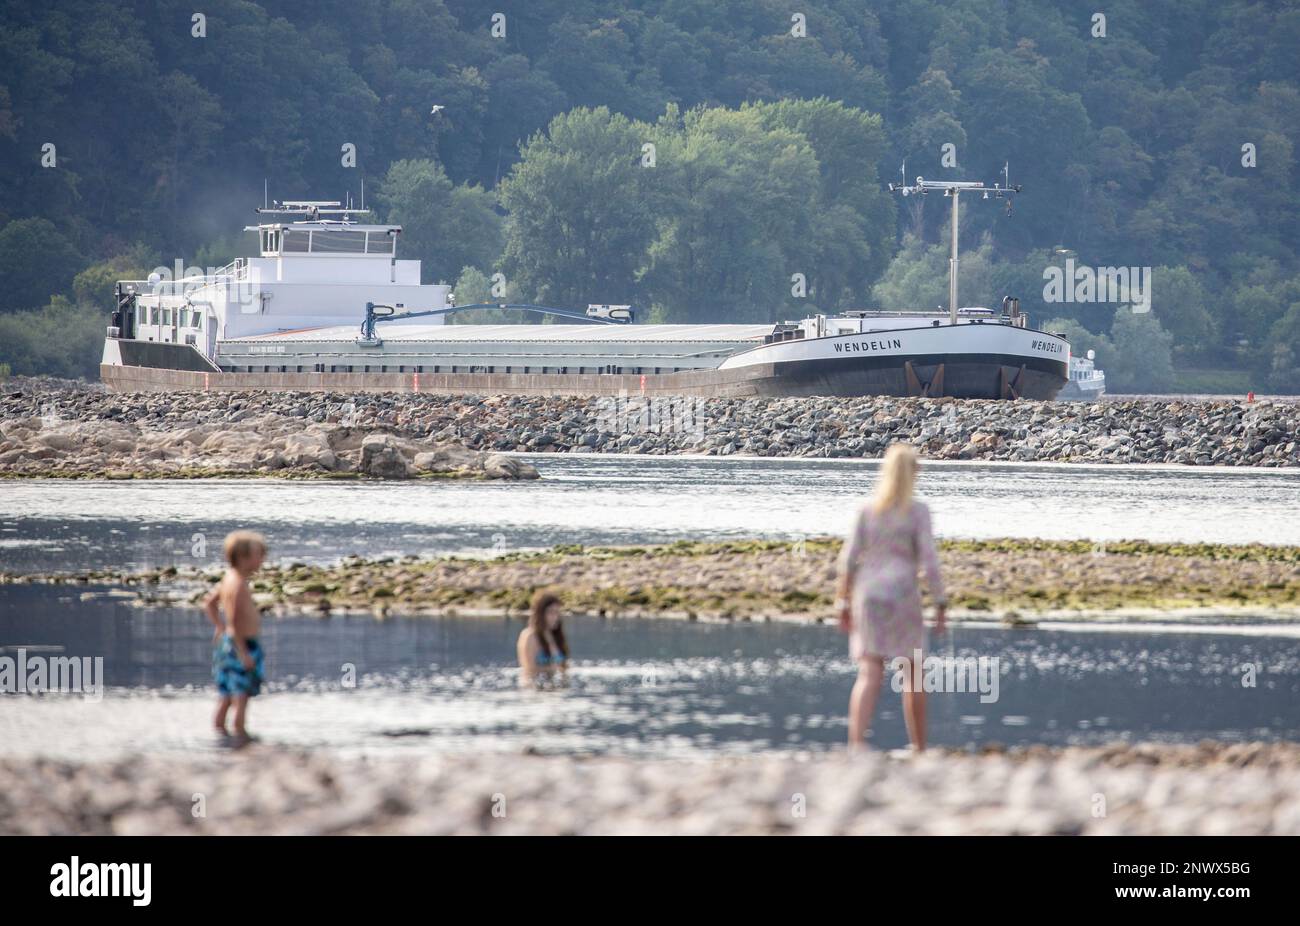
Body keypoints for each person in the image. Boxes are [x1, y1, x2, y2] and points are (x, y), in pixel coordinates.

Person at [835, 444, 947, 753]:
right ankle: (919, 747)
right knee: (912, 672)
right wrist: (940, 603)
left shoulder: (866, 510)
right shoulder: (917, 511)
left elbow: (848, 559)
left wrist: (842, 602)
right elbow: (930, 561)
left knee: (870, 671)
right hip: (903, 595)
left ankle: (856, 744)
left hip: (868, 596)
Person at [204, 530, 269, 744]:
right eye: (259, 555)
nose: (263, 560)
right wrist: (243, 653)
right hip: (243, 646)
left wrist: (219, 627)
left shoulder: (228, 578)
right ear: (244, 558)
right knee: (241, 697)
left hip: (230, 644)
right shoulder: (239, 584)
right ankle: (241, 736)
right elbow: (234, 622)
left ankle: (220, 736)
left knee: (227, 697)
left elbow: (209, 604)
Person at [517, 590, 568, 686]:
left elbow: (564, 667)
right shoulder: (530, 636)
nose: (555, 617)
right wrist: (553, 669)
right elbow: (529, 669)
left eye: (557, 613)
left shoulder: (555, 636)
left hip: (555, 688)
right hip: (534, 689)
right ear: (540, 613)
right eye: (551, 612)